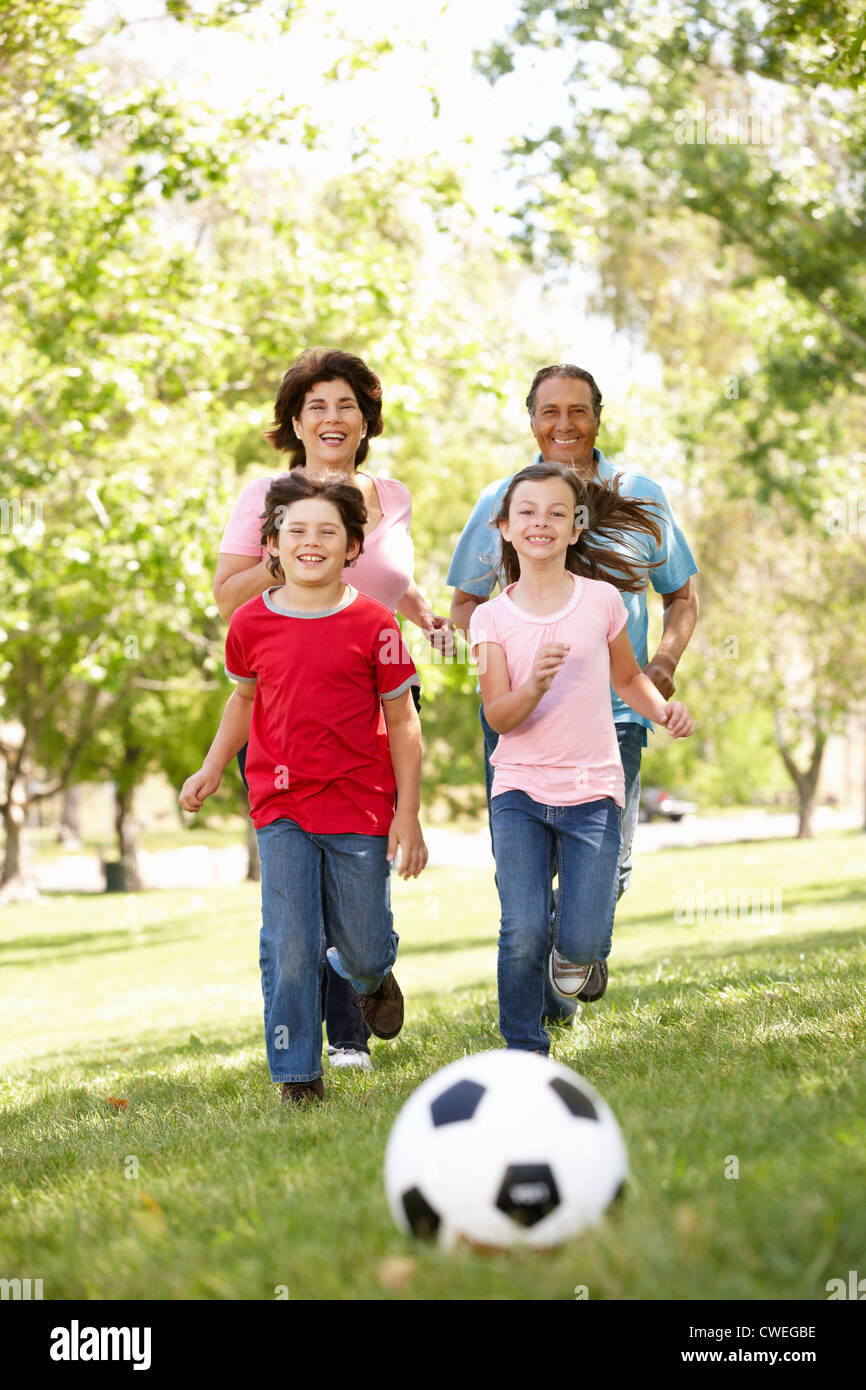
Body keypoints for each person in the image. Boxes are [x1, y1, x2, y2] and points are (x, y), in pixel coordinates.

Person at [214, 347, 452, 1070]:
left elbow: (387, 578)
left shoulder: (394, 495)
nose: (331, 417)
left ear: (365, 418)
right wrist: (297, 547)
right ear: (294, 420)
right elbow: (229, 596)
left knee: (358, 862)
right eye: (315, 405)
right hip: (292, 687)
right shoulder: (265, 497)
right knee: (295, 890)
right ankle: (324, 1051)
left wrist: (423, 612)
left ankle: (364, 982)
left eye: (345, 403)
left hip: (378, 681)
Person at [449, 364, 699, 1009]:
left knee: (607, 870)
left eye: (578, 411)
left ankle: (573, 952)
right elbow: (464, 608)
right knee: (524, 877)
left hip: (616, 712)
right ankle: (546, 1005)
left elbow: (682, 596)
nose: (564, 425)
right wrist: (500, 679)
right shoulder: (503, 499)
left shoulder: (637, 492)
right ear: (531, 420)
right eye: (549, 412)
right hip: (520, 718)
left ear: (598, 416)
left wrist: (663, 665)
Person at [180, 471, 427, 1105]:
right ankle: (297, 1074)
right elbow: (242, 700)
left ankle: (369, 977)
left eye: (328, 531)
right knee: (288, 940)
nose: (310, 541)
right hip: (280, 805)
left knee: (365, 946)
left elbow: (402, 721)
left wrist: (409, 814)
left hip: (359, 807)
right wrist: (211, 768)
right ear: (272, 543)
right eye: (296, 531)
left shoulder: (375, 624)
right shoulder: (250, 623)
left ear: (353, 547)